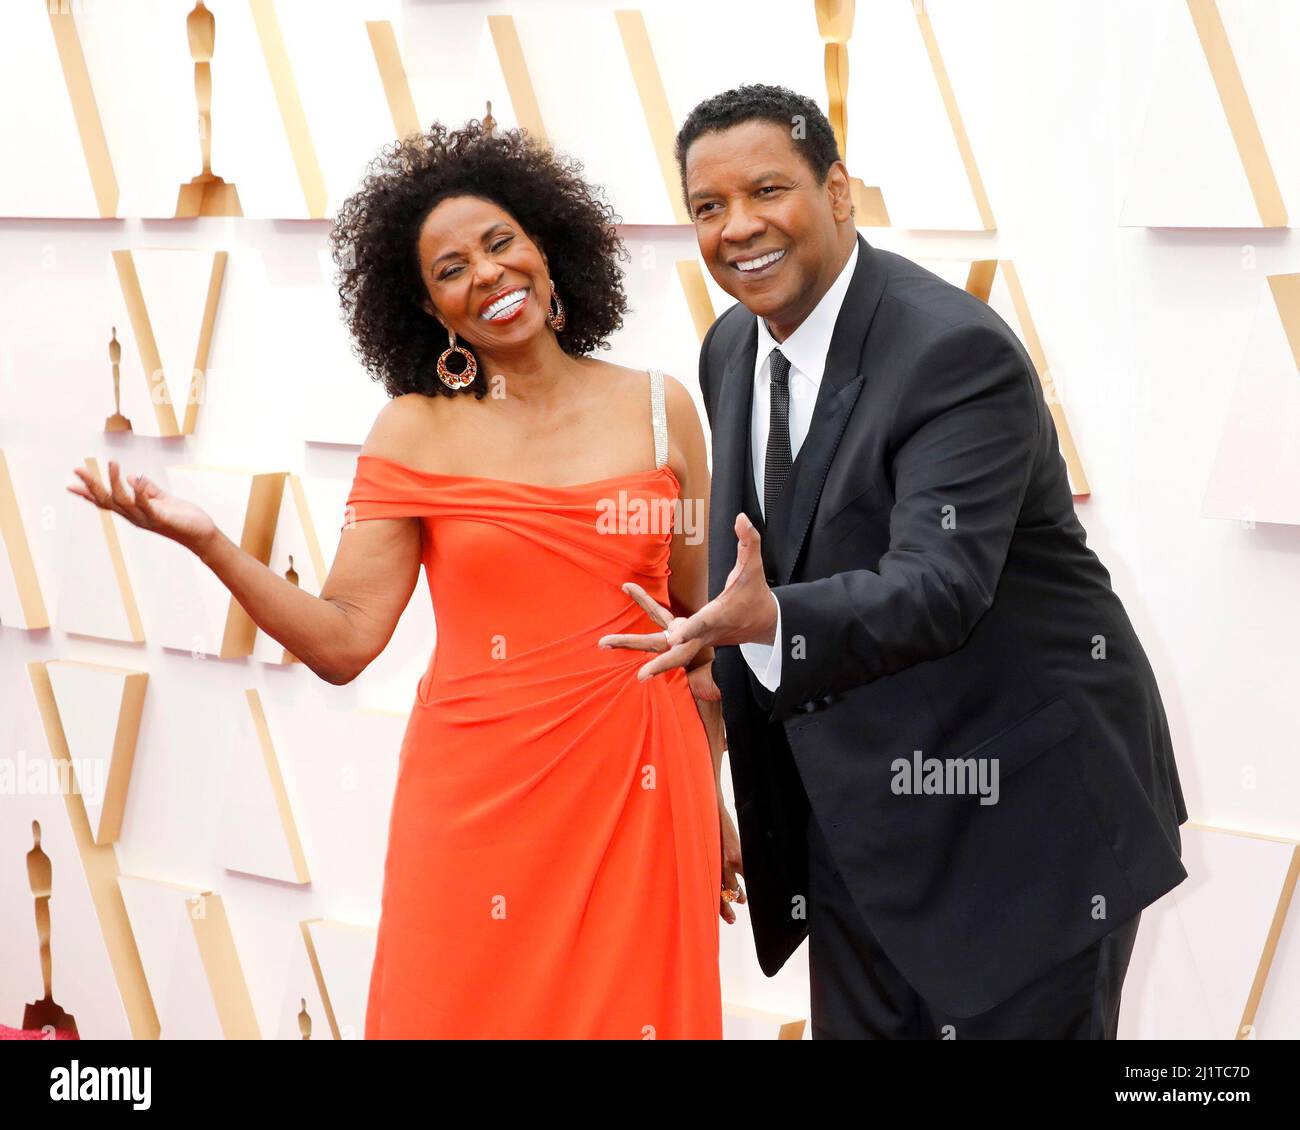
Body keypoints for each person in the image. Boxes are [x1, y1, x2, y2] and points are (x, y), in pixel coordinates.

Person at [67, 120, 737, 1039]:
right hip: (478, 797)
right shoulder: (412, 433)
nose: (489, 274)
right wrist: (210, 541)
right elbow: (345, 641)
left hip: (639, 788)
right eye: (451, 268)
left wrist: (711, 797)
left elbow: (694, 631)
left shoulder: (661, 410)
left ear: (547, 249)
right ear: (429, 312)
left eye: (502, 243)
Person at [600, 84, 1189, 1039]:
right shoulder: (730, 349)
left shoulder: (951, 350)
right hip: (851, 832)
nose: (738, 227)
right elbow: (756, 573)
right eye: (708, 207)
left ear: (839, 191)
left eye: (767, 191)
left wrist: (775, 622)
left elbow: (938, 586)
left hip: (1021, 825)